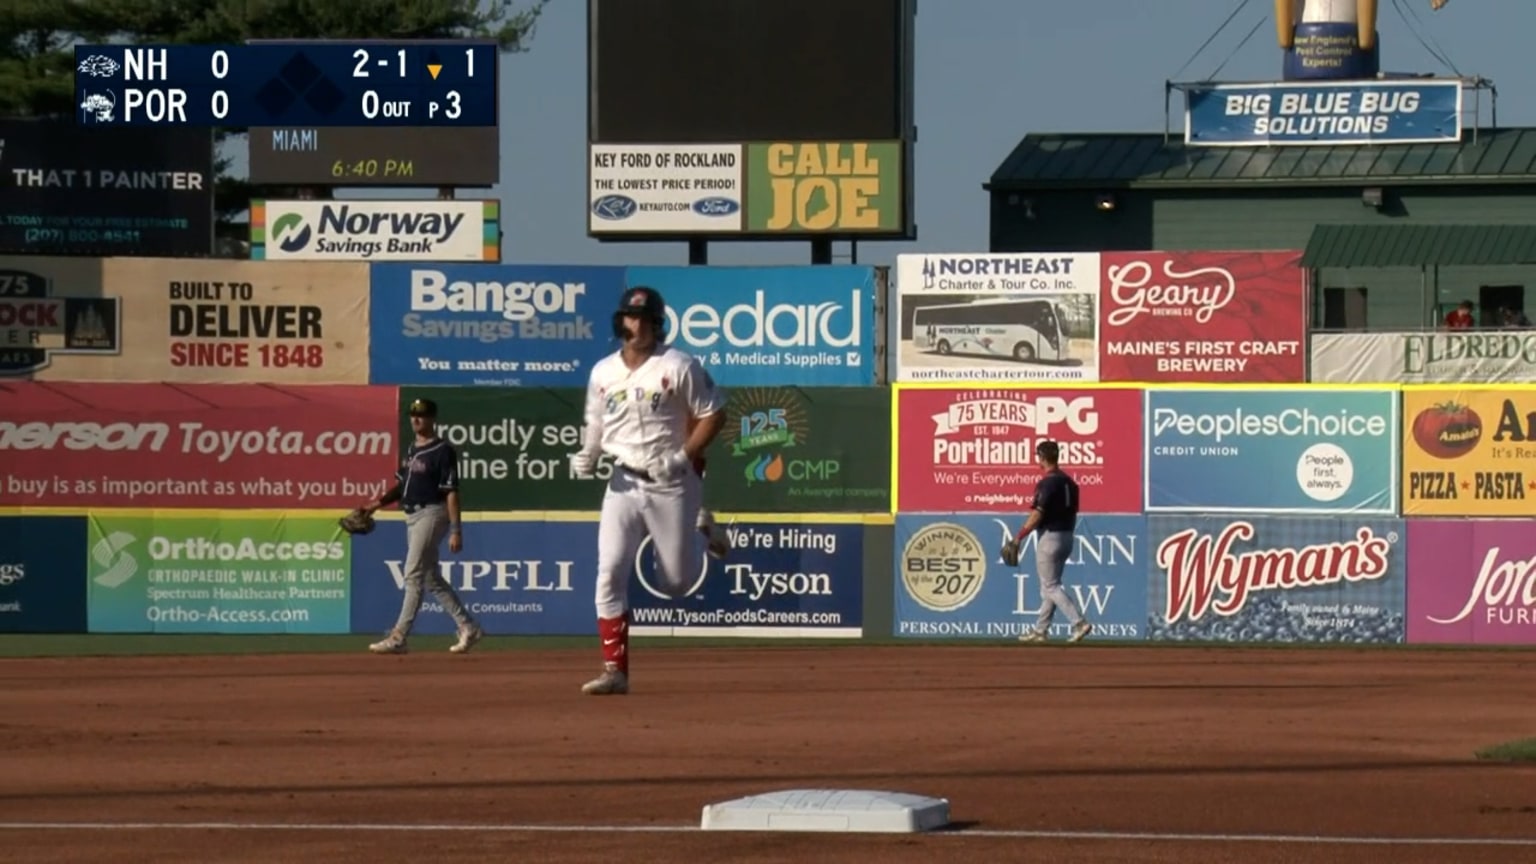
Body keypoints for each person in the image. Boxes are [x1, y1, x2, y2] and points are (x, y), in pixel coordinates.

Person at [570, 285, 731, 696]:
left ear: (658, 325)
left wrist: (684, 455)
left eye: (646, 319)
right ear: (620, 320)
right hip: (622, 481)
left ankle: (702, 525)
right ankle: (615, 670)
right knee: (609, 573)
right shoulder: (603, 371)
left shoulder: (678, 364)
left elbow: (715, 414)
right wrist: (588, 452)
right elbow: (596, 422)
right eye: (631, 317)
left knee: (676, 584)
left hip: (671, 482)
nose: (637, 325)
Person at [359, 397, 483, 655]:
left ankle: (399, 636)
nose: (416, 419)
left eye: (422, 415)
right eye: (413, 415)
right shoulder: (412, 449)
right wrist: (377, 503)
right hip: (412, 516)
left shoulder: (443, 450)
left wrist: (456, 529)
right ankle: (467, 626)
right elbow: (402, 485)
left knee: (412, 574)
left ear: (432, 419)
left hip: (433, 513)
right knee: (430, 578)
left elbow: (451, 491)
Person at [1015, 440, 1093, 644]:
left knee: (1050, 587)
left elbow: (1037, 515)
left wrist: (1019, 536)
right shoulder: (1070, 482)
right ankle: (1041, 630)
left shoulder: (1047, 482)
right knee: (1050, 587)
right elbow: (1074, 512)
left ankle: (1079, 623)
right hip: (1067, 536)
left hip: (1050, 537)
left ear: (1041, 457)